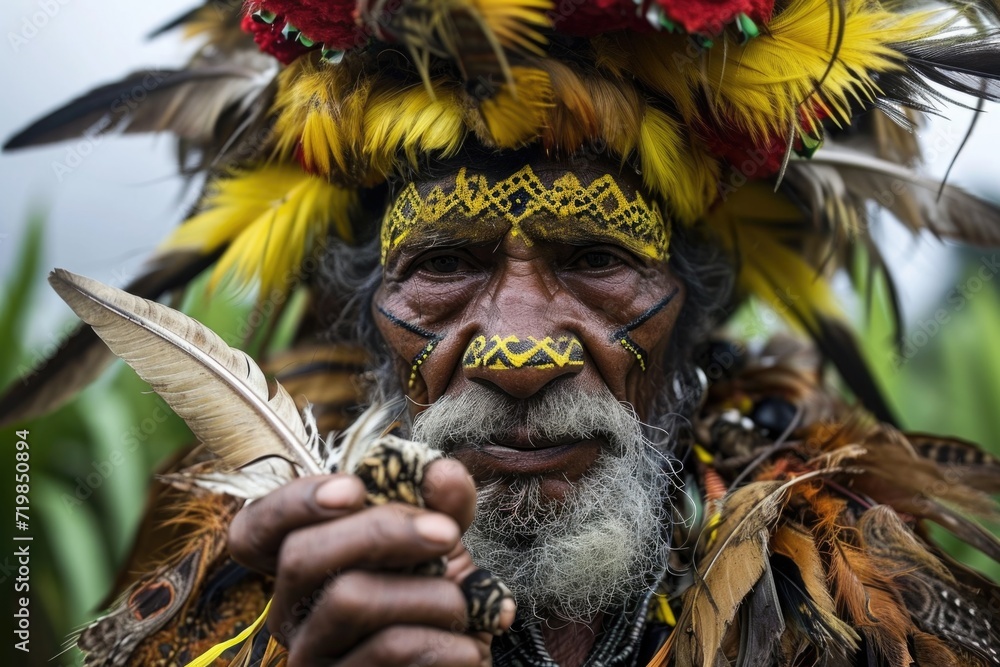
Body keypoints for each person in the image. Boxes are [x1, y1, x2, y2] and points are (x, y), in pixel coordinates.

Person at [5, 0, 1000, 665]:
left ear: (696, 320)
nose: (519, 352)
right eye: (444, 265)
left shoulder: (855, 578)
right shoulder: (242, 565)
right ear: (368, 323)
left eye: (596, 261)